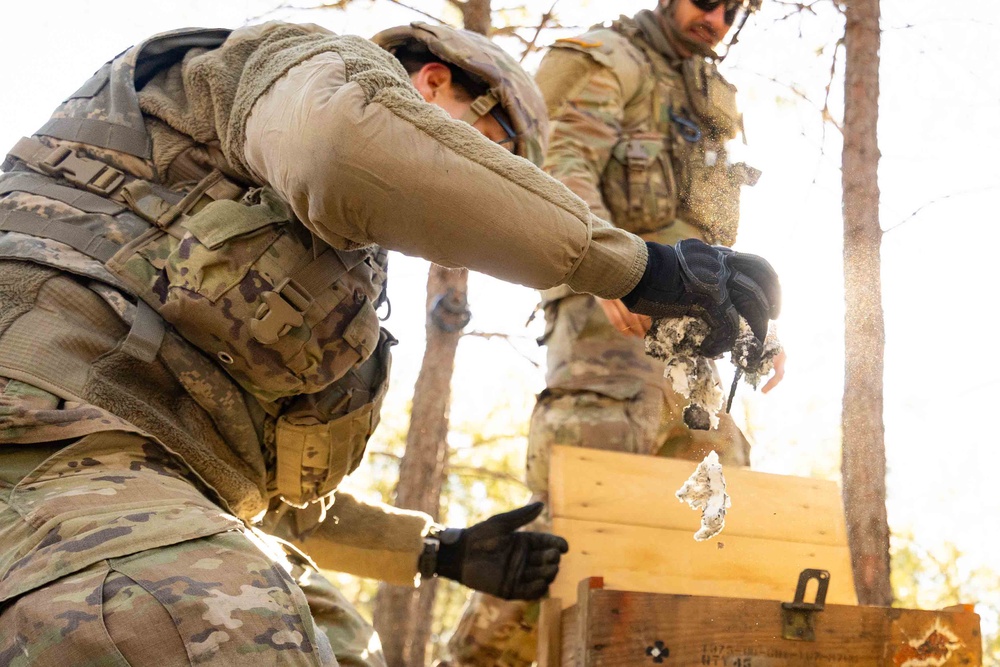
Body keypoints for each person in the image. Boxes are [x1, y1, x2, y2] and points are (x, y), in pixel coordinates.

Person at [0, 17, 778, 667]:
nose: (484, 184)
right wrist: (636, 267)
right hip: (33, 433)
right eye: (493, 155)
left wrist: (436, 548)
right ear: (435, 82)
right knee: (236, 628)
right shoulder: (288, 69)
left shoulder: (340, 278)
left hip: (121, 495)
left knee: (342, 641)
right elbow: (342, 145)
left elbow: (259, 503)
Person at [445, 1, 786, 665]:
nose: (715, 17)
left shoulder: (714, 96)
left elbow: (718, 239)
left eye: (732, 8)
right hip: (610, 335)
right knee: (574, 526)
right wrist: (605, 272)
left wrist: (755, 319)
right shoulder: (606, 59)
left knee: (714, 532)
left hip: (698, 355)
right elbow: (556, 166)